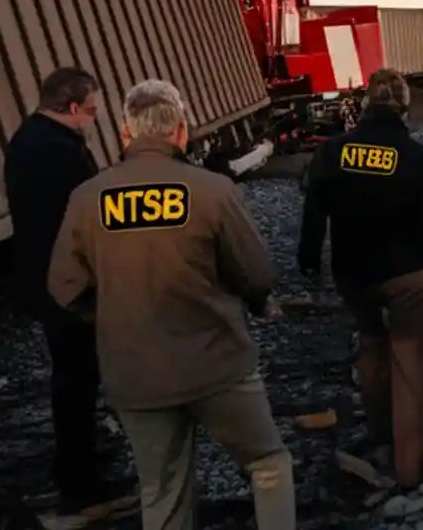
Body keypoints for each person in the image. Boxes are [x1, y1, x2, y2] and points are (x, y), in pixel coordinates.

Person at [48, 79, 295, 530]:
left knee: (161, 490)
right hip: (218, 364)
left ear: (126, 134)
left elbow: (64, 286)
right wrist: (253, 303)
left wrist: (113, 321)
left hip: (136, 375)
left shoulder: (87, 200)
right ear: (182, 130)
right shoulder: (212, 191)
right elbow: (258, 274)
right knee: (268, 463)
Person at [298, 68, 423, 490]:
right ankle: (409, 470)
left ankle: (379, 436)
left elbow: (313, 209)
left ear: (365, 106)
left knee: (372, 347)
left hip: (355, 275)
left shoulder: (333, 152)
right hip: (408, 276)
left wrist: (308, 260)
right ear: (403, 107)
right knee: (409, 359)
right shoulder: (415, 156)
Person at [3, 66, 112, 512]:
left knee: (75, 377)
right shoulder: (59, 152)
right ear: (72, 109)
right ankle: (80, 481)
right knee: (77, 379)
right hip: (67, 286)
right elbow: (82, 223)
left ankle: (81, 465)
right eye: (91, 111)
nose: (93, 119)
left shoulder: (27, 140)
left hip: (45, 279)